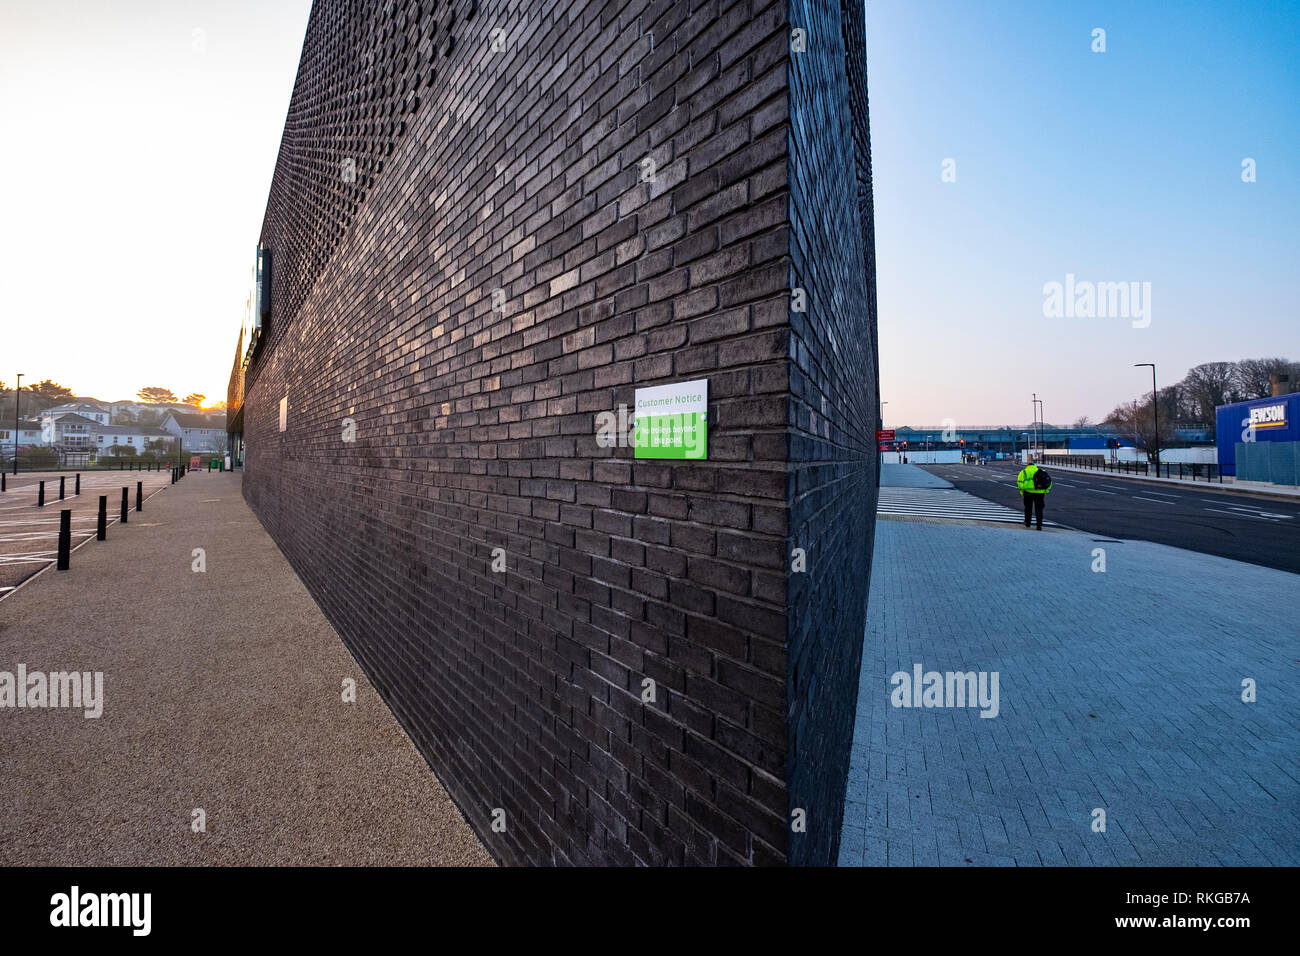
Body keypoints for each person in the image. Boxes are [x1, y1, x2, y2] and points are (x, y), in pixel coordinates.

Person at [1016, 461, 1052, 529]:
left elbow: (1020, 483)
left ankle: (1027, 523)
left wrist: (1021, 491)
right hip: (1040, 493)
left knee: (1028, 508)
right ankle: (1039, 525)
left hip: (1028, 492)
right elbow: (1049, 482)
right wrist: (1046, 491)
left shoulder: (1024, 472)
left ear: (1027, 466)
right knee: (1039, 509)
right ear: (1034, 466)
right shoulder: (1042, 471)